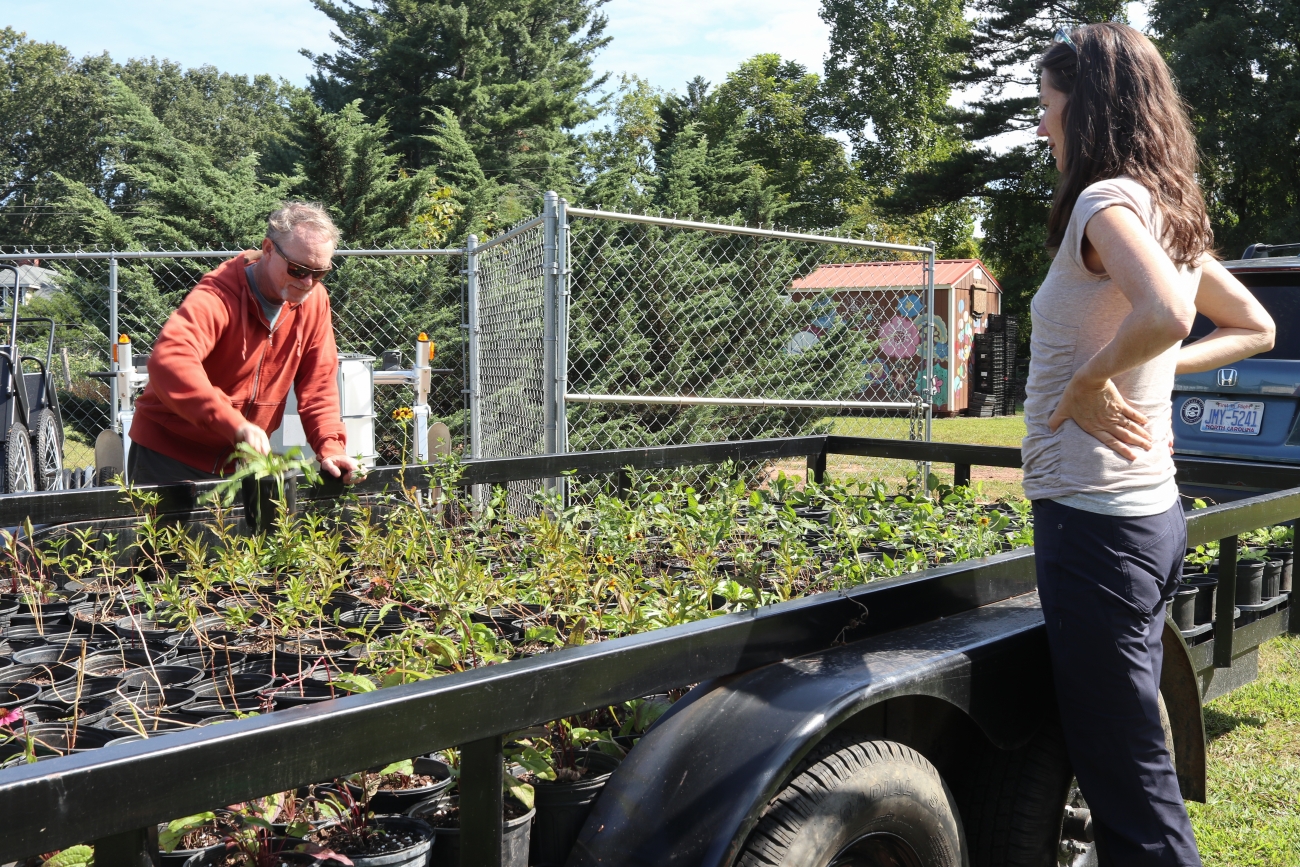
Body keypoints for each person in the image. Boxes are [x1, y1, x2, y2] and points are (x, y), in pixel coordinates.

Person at [1024, 23, 1274, 866]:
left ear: (1084, 107)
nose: (1041, 123)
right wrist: (1137, 364)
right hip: (1147, 517)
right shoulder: (1164, 211)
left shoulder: (1104, 202)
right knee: (1129, 759)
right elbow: (1253, 328)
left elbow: (1167, 315)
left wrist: (1091, 379)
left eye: (1048, 104)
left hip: (1097, 527)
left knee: (1131, 788)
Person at [128, 202, 362, 486]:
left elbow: (318, 386)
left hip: (244, 465)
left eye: (320, 272)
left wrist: (330, 446)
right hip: (170, 458)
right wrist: (234, 424)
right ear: (268, 249)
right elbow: (170, 361)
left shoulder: (315, 301)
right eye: (298, 269)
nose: (308, 282)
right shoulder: (218, 295)